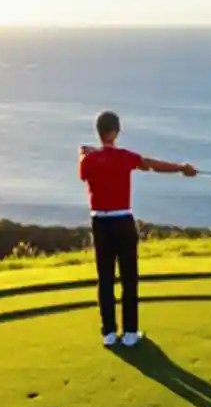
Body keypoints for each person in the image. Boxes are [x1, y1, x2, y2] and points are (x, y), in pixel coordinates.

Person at [78, 110, 196, 347]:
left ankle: (109, 333)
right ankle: (130, 333)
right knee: (129, 278)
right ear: (115, 132)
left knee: (105, 279)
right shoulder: (125, 157)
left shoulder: (87, 160)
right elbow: (152, 165)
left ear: (99, 132)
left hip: (100, 223)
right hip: (122, 221)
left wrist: (87, 152)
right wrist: (181, 167)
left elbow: (84, 166)